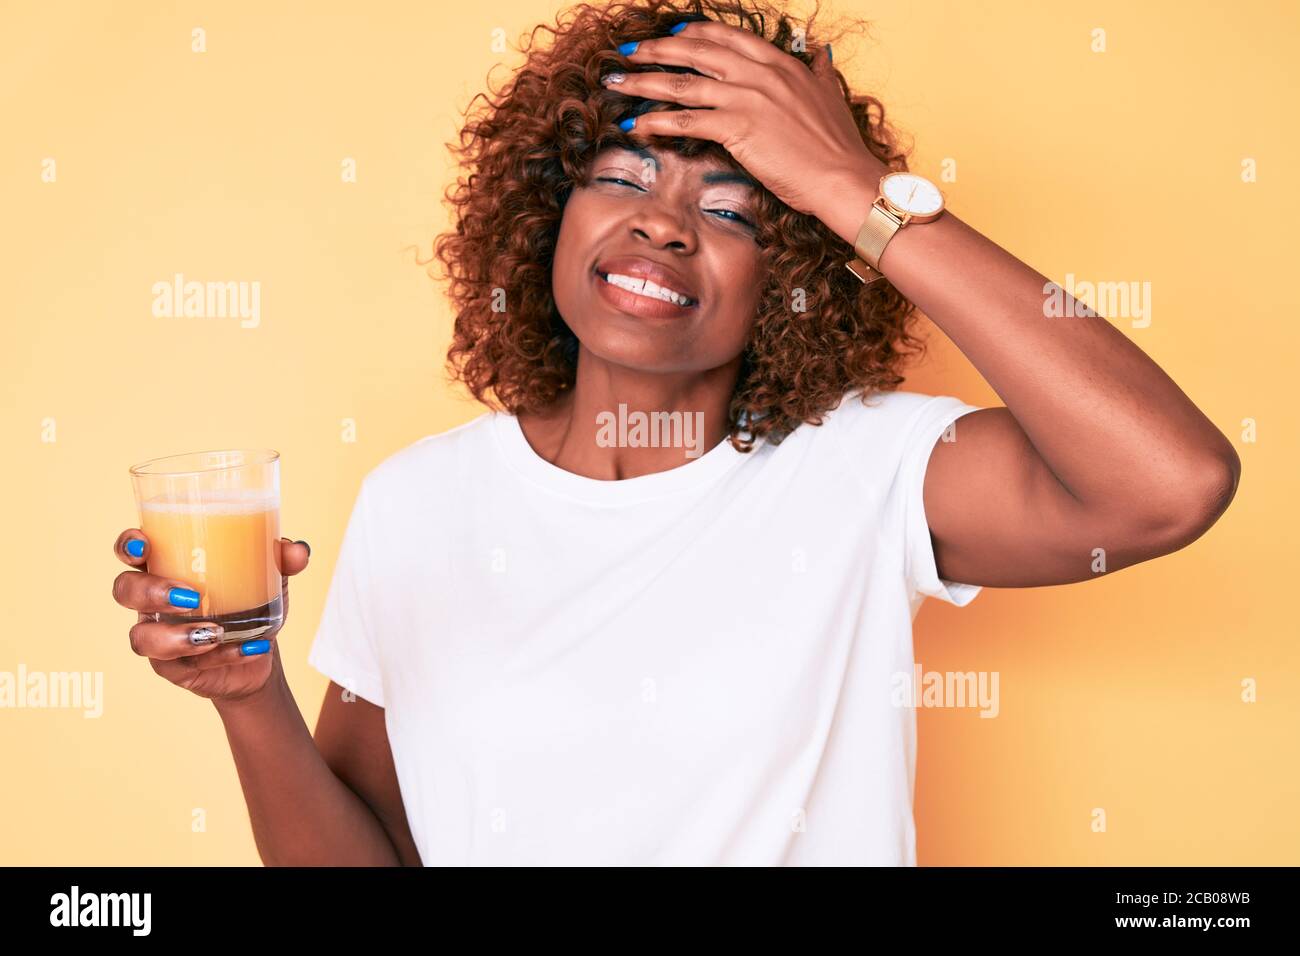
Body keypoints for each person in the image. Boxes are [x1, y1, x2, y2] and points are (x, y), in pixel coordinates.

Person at [111, 1, 1239, 865]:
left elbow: (1168, 481)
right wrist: (248, 699)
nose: (663, 219)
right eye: (621, 174)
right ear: (544, 219)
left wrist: (855, 188)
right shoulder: (418, 501)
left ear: (792, 268)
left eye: (736, 207)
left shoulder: (865, 467)